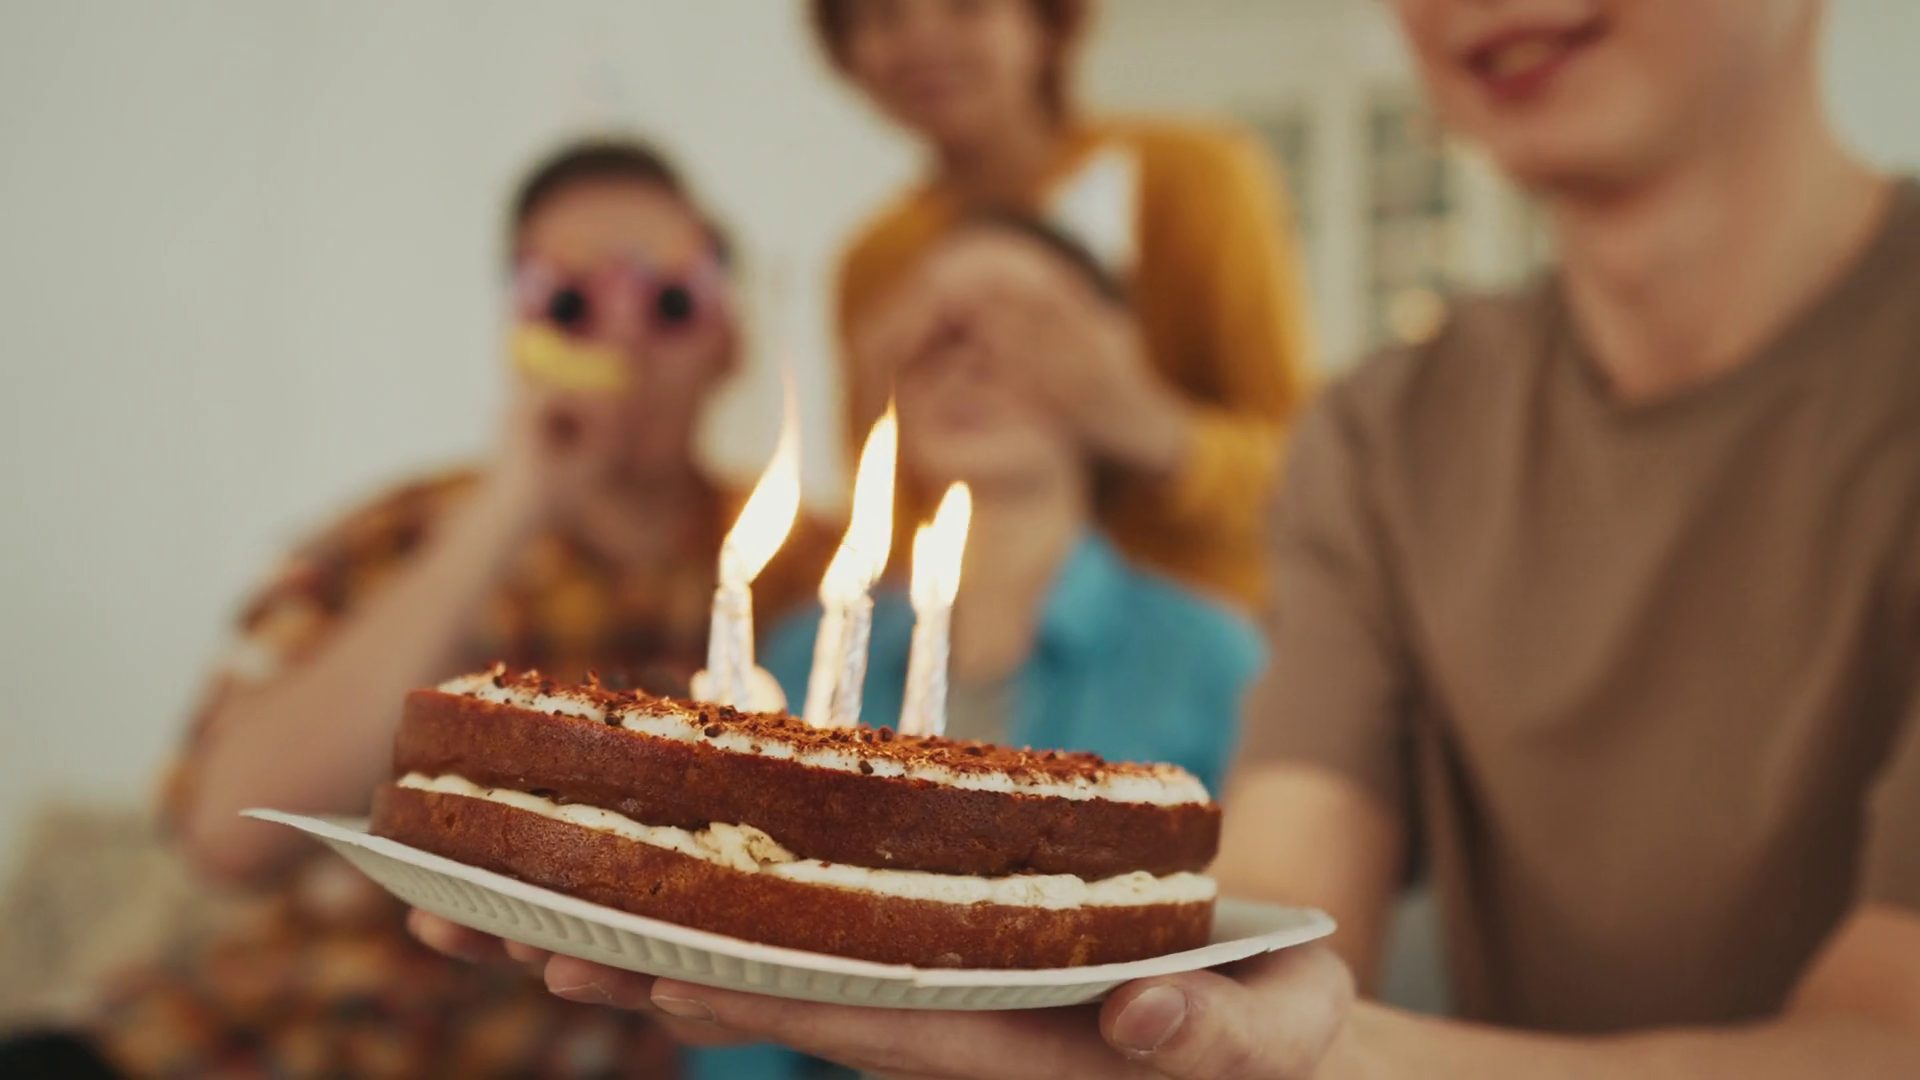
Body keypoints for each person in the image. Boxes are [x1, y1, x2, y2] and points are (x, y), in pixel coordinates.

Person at [411, 1, 1920, 1075]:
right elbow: (1257, 934)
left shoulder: (1202, 241)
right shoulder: (1386, 437)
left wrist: (1133, 415)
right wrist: (1201, 1024)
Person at [56, 137, 831, 1080]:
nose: (620, 337)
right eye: (571, 303)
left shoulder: (811, 572)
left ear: (729, 342)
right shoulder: (400, 539)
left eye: (668, 302)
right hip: (253, 1042)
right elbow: (231, 832)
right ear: (521, 334)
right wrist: (512, 502)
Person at [814, 0, 1315, 612]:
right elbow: (885, 526)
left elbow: (1307, 479)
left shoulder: (1196, 181)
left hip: (1211, 646)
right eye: (882, 16)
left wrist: (1137, 419)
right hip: (977, 655)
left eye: (965, 8)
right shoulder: (874, 264)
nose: (922, 40)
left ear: (1045, 23)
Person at [764, 214, 1265, 792]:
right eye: (937, 334)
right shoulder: (807, 652)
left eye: (1029, 332)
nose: (970, 366)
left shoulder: (1209, 663)